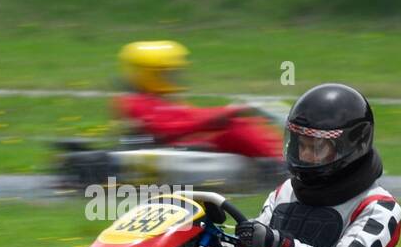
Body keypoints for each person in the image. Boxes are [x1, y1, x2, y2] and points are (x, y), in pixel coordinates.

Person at [175, 83, 401, 247]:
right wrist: (210, 235)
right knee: (187, 235)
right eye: (301, 145)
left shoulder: (379, 207)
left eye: (316, 147)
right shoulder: (286, 190)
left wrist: (280, 244)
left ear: (351, 147)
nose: (305, 155)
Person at [115, 40, 281, 160]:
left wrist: (234, 113)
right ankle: (279, 164)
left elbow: (188, 116)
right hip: (168, 150)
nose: (174, 77)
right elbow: (179, 125)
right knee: (235, 130)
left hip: (180, 145)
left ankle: (280, 158)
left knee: (240, 123)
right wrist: (230, 112)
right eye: (167, 74)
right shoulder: (135, 103)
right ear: (146, 74)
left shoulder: (157, 100)